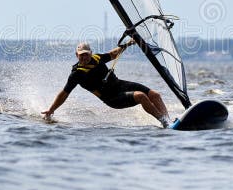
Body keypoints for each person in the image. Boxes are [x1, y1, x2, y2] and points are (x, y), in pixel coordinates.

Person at [42, 41, 170, 127]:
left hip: (120, 85)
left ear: (90, 53)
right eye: (81, 55)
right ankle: (163, 121)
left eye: (86, 54)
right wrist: (52, 109)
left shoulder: (97, 58)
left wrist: (129, 43)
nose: (84, 57)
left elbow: (113, 54)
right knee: (141, 96)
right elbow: (64, 93)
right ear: (77, 55)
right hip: (112, 98)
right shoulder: (77, 74)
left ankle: (168, 121)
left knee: (155, 95)